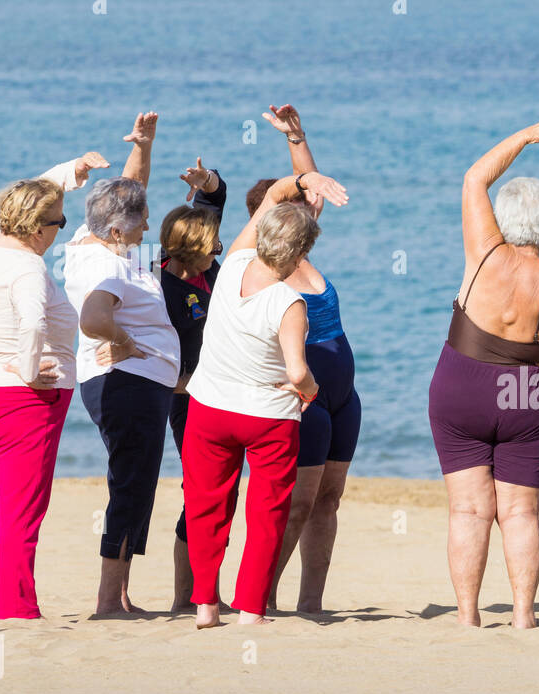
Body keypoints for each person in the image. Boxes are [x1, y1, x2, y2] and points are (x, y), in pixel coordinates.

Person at [428, 122, 539, 629]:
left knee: (468, 511)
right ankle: (526, 616)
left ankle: (468, 617)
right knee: (521, 513)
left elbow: (473, 179)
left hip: (462, 382)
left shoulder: (485, 250)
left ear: (505, 222)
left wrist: (526, 136)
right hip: (524, 389)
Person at [183, 172, 349, 628]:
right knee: (266, 513)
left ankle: (205, 606)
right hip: (267, 419)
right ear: (298, 253)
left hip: (209, 410)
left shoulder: (232, 264)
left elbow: (273, 198)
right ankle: (251, 610)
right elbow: (297, 371)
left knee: (206, 507)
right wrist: (309, 392)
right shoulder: (287, 301)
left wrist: (300, 178)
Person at [0, 150, 109, 619]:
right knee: (23, 512)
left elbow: (33, 194)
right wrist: (27, 372)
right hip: (21, 403)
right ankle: (19, 610)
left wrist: (72, 172)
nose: (59, 233)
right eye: (59, 225)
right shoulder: (27, 268)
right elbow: (32, 323)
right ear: (36, 227)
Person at [64, 112, 181, 616]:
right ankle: (109, 600)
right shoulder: (108, 263)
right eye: (141, 222)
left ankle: (122, 594)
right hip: (126, 381)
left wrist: (144, 146)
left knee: (134, 481)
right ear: (116, 229)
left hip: (131, 383)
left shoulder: (91, 240)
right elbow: (93, 317)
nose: (150, 227)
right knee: (131, 483)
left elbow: (127, 190)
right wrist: (125, 340)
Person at [256, 104, 363, 614]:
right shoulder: (264, 268)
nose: (308, 211)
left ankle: (311, 601)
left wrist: (297, 137)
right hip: (306, 400)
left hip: (344, 399)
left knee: (329, 500)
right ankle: (262, 597)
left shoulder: (303, 255)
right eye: (297, 208)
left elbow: (313, 185)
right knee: (297, 505)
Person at [159, 158, 229, 612]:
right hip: (187, 402)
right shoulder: (160, 284)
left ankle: (206, 592)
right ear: (191, 251)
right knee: (201, 491)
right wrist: (181, 381)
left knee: (224, 492)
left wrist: (208, 184)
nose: (220, 245)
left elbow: (211, 207)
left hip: (222, 395)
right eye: (212, 243)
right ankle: (189, 595)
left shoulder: (210, 270)